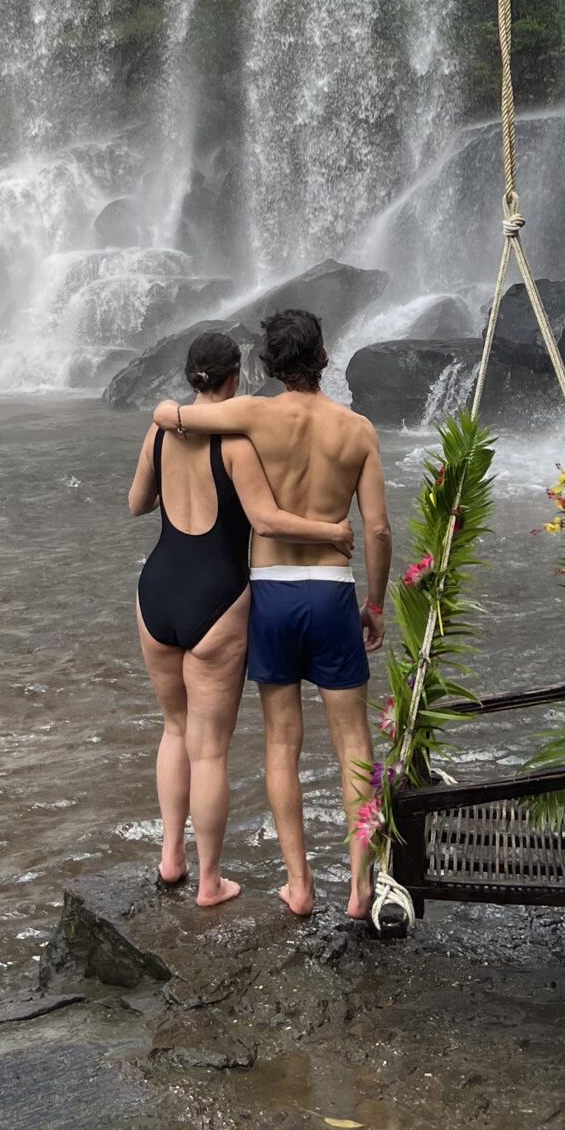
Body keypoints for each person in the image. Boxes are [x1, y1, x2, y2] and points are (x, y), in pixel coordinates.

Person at [153, 307, 391, 921]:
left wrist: (165, 413)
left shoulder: (254, 415)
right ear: (325, 357)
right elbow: (379, 529)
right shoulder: (358, 430)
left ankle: (300, 885)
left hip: (272, 595)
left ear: (266, 365)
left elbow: (176, 416)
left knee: (282, 743)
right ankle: (361, 890)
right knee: (354, 746)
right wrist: (375, 604)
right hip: (334, 591)